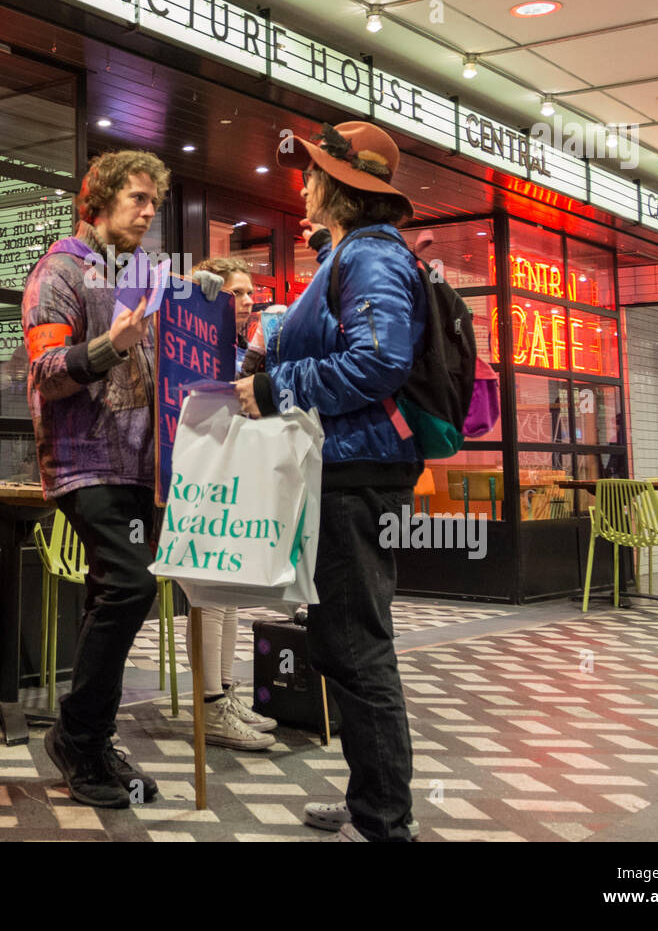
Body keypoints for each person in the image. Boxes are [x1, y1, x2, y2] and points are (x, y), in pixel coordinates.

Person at [235, 122, 425, 843]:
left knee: (355, 643)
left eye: (312, 172)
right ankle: (371, 796)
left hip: (357, 474)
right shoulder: (354, 253)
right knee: (343, 641)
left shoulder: (371, 256)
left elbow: (379, 361)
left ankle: (383, 821)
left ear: (339, 185)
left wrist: (277, 386)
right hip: (345, 469)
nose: (303, 184)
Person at [22, 150, 222, 808]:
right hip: (84, 461)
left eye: (154, 203)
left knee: (115, 589)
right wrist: (112, 343)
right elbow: (48, 371)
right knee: (132, 582)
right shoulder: (60, 270)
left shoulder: (145, 275)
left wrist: (206, 310)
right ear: (99, 199)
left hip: (144, 466)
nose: (148, 212)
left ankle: (92, 736)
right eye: (137, 198)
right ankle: (77, 733)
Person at [182, 256, 278, 750]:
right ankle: (209, 703)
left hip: (230, 480)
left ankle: (223, 695)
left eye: (247, 295)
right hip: (198, 482)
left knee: (228, 593)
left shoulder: (241, 347)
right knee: (209, 595)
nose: (244, 303)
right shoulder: (197, 340)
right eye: (234, 293)